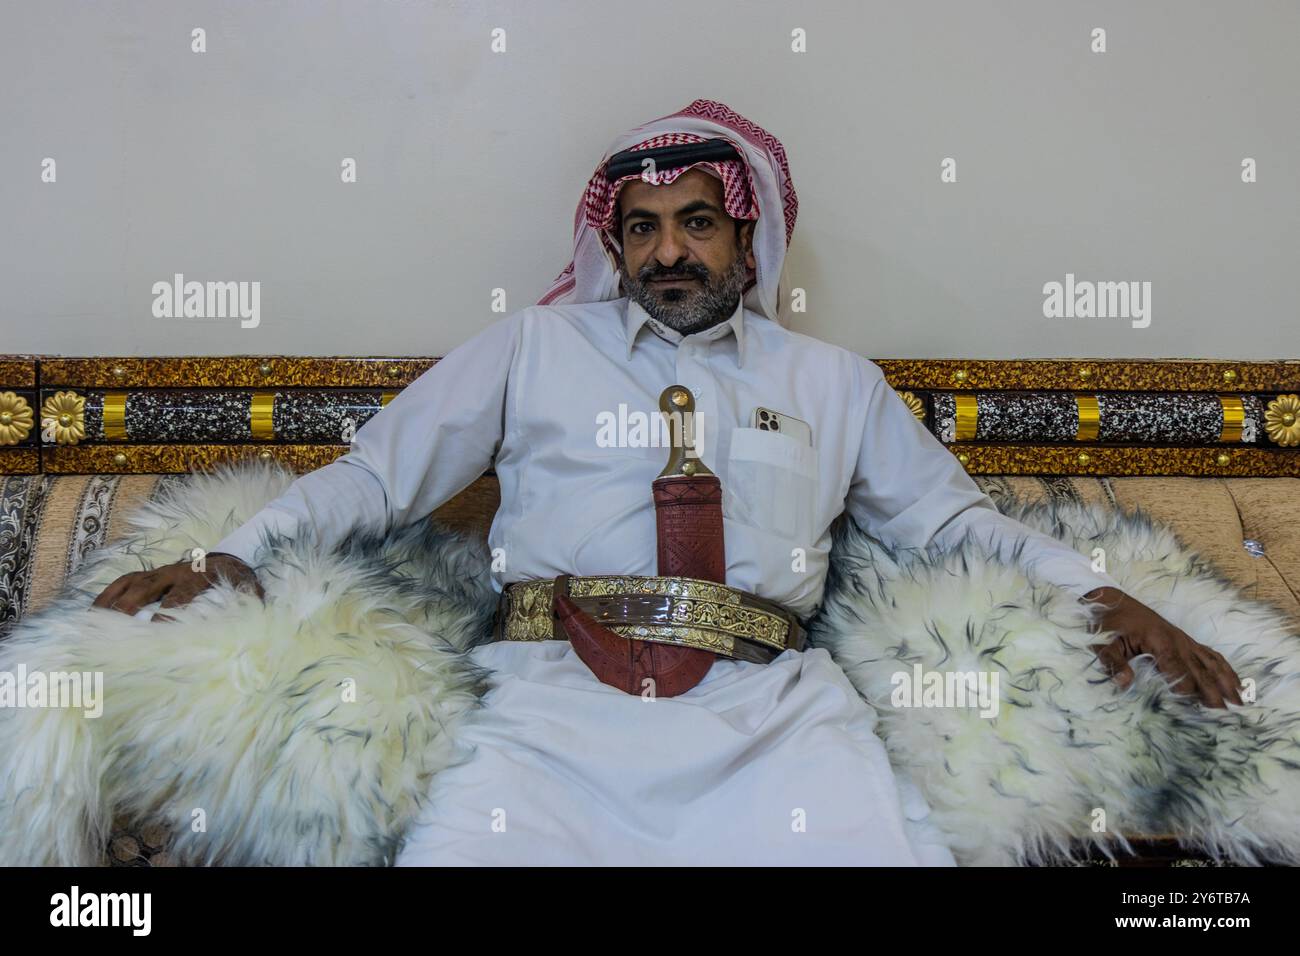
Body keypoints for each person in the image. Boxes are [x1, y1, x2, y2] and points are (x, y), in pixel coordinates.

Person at [91, 99, 1242, 865]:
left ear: (746, 242)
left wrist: (1099, 590)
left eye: (695, 223)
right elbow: (377, 475)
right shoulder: (532, 350)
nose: (666, 253)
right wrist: (225, 549)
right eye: (640, 229)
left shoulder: (834, 382)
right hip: (549, 701)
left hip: (773, 718)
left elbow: (952, 521)